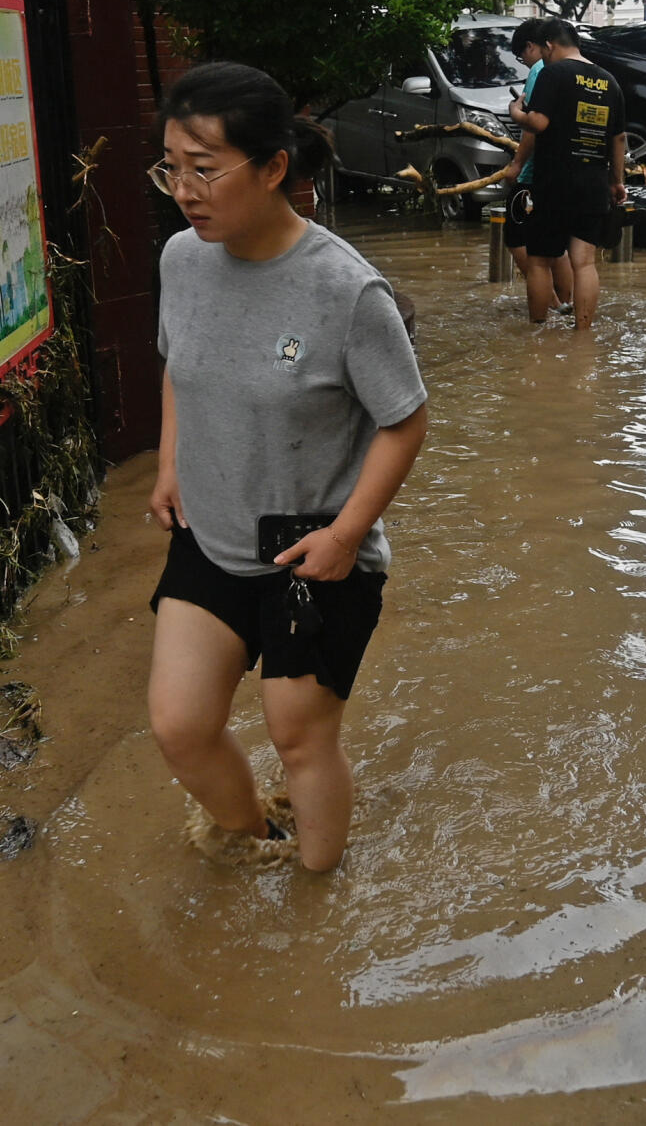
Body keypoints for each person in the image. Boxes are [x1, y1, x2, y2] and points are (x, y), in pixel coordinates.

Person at [145, 62, 430, 873]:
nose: (184, 191)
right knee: (179, 726)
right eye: (171, 168)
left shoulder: (348, 292)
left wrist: (346, 536)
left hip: (313, 544)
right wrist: (168, 464)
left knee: (298, 735)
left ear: (273, 168)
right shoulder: (181, 260)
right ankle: (256, 843)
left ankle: (317, 890)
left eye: (205, 169)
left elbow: (405, 422)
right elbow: (178, 366)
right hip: (212, 528)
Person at [513, 20, 627, 327]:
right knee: (584, 263)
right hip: (593, 184)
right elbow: (619, 138)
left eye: (543, 52)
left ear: (549, 45)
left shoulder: (553, 74)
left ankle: (537, 333)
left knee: (539, 261)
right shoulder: (609, 81)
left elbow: (538, 123)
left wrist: (516, 113)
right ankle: (583, 334)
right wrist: (617, 182)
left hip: (553, 182)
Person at [502, 23, 573, 312]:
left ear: (533, 46)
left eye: (522, 56)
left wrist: (516, 164)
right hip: (565, 172)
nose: (526, 62)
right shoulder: (572, 72)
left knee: (517, 239)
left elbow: (533, 126)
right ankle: (567, 303)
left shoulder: (539, 71)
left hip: (534, 174)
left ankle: (552, 306)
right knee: (557, 245)